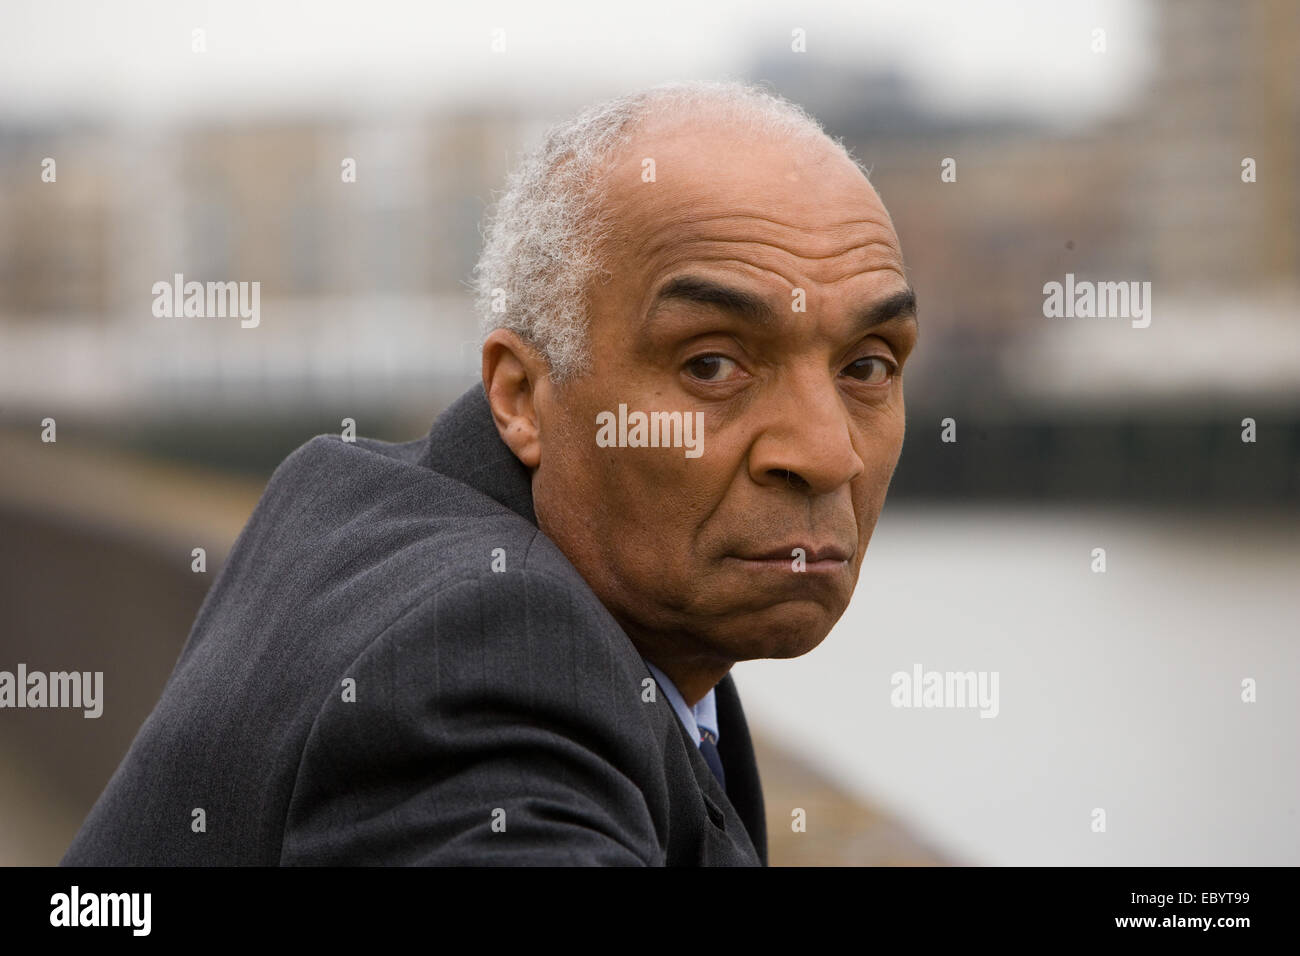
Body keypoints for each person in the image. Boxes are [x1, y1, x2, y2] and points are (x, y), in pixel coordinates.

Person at [61, 79, 917, 866]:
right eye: (710, 366)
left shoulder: (365, 512)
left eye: (868, 367)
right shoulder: (483, 663)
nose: (825, 452)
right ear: (521, 395)